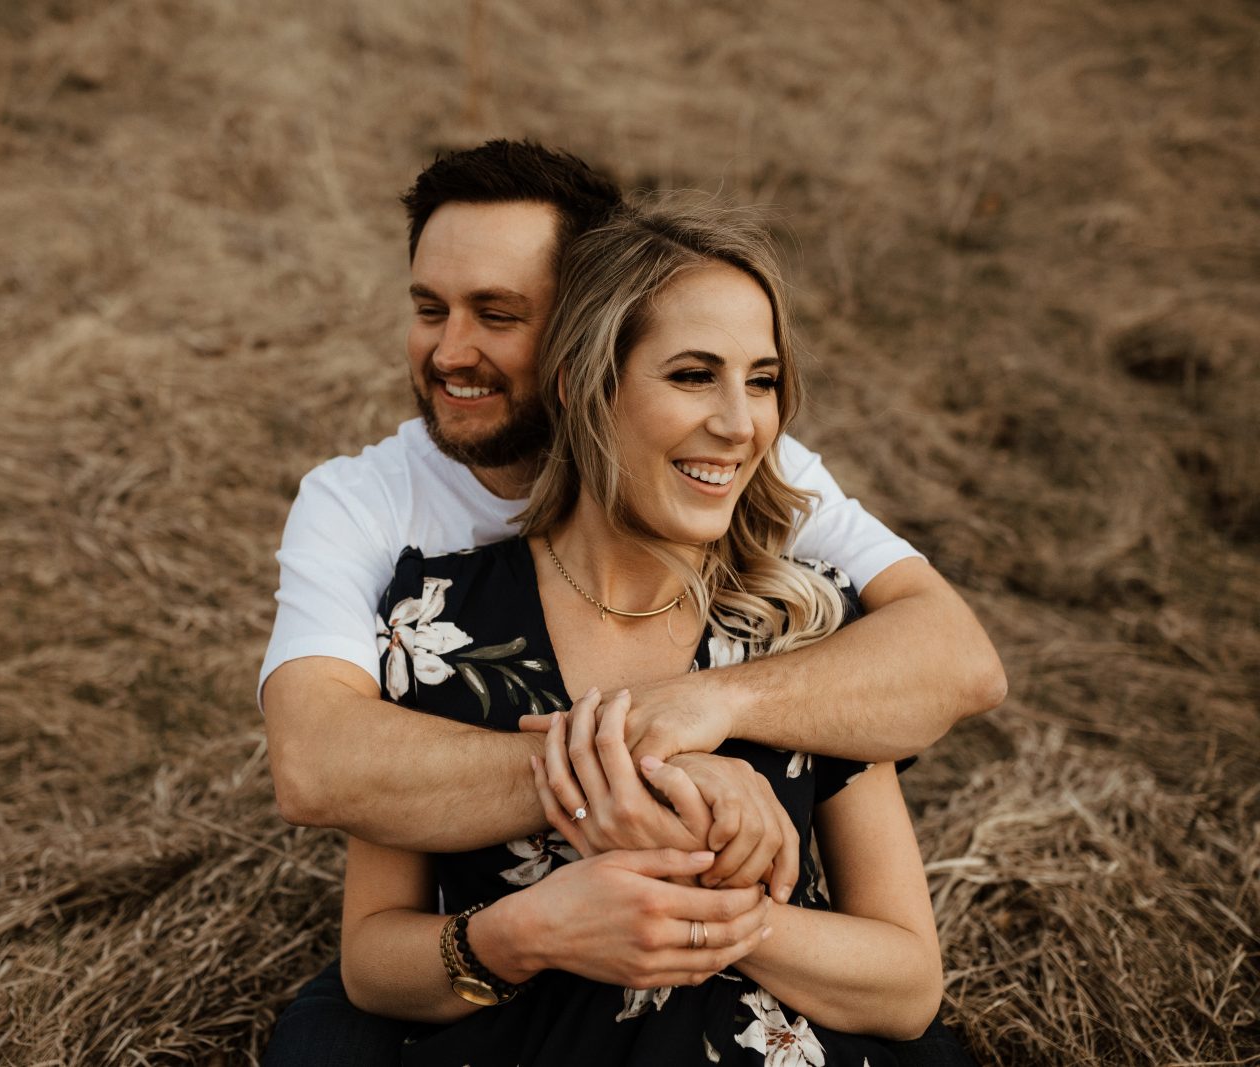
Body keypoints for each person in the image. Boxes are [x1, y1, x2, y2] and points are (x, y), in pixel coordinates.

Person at [261, 142, 1001, 1065]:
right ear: (591, 374)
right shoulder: (405, 579)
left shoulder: (785, 569)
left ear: (573, 327)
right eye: (429, 309)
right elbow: (317, 770)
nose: (452, 351)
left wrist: (714, 711)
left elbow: (959, 661)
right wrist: (643, 786)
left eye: (498, 312)